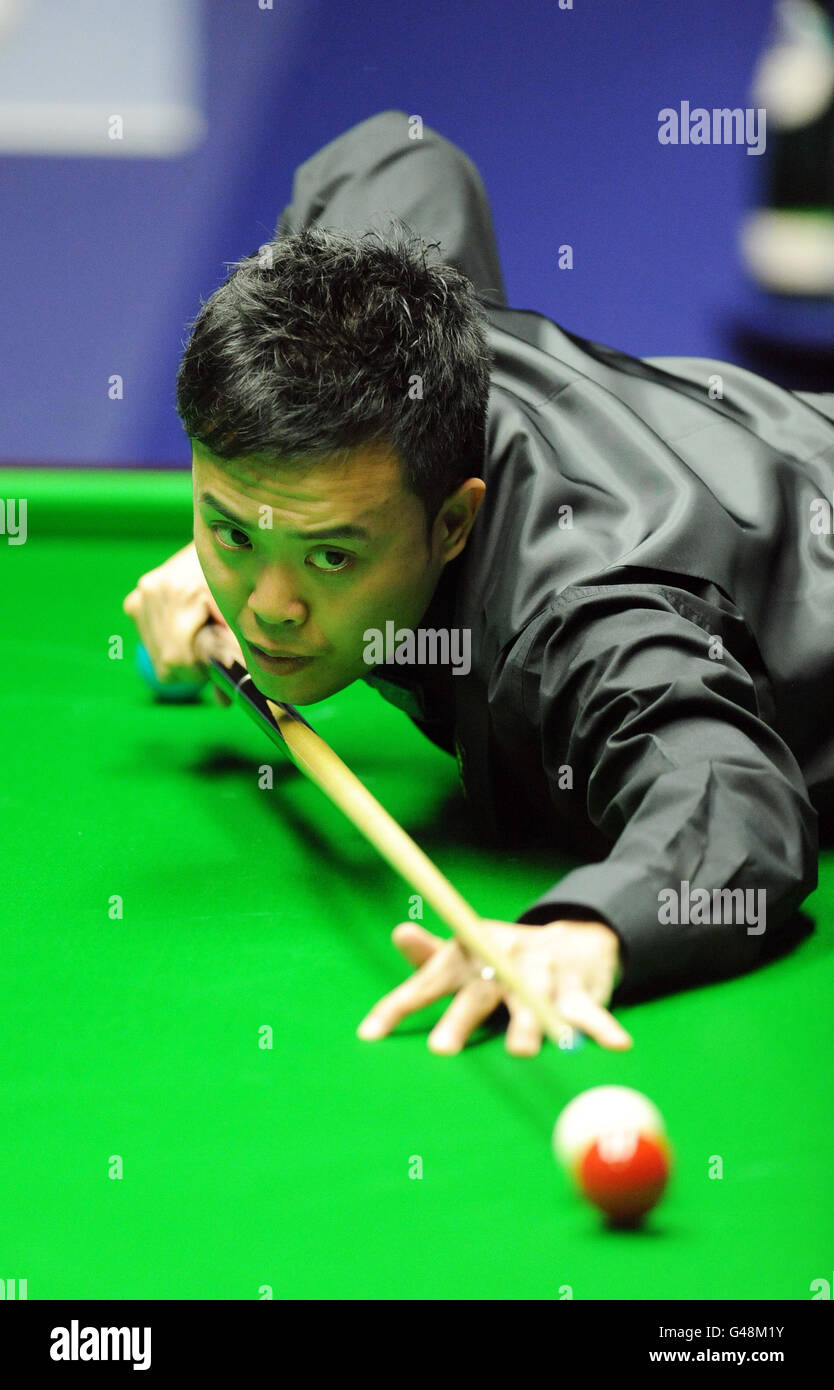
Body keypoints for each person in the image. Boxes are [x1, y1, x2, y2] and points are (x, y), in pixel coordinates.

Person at [124, 110, 834, 1057]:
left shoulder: (577, 625)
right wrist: (265, 530)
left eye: (331, 556)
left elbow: (735, 800)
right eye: (230, 533)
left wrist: (588, 932)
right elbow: (397, 151)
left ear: (454, 522)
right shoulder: (398, 321)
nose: (269, 608)